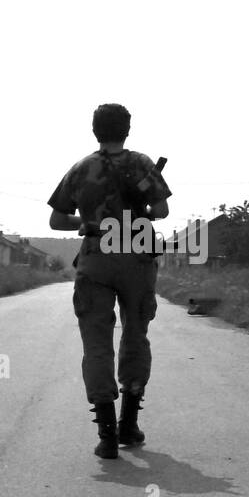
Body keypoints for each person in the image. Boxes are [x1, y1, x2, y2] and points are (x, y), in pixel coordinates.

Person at [47, 104, 172, 458]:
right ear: (128, 130)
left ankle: (105, 435)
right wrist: (142, 213)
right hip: (136, 256)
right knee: (135, 335)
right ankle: (128, 425)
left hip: (96, 260)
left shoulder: (81, 168)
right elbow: (161, 211)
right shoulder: (143, 164)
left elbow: (57, 220)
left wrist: (86, 223)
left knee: (97, 343)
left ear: (94, 130)